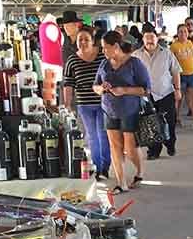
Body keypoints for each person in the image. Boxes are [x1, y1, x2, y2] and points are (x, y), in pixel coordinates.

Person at [94, 30, 150, 193]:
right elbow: (95, 85)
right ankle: (121, 183)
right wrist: (101, 89)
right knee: (115, 147)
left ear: (116, 46)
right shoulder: (104, 64)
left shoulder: (134, 64)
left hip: (130, 110)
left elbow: (146, 89)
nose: (103, 51)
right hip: (109, 109)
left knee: (130, 147)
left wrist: (124, 90)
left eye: (105, 48)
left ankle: (139, 172)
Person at [62, 27, 110, 181]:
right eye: (80, 39)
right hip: (84, 104)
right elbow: (68, 84)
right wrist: (67, 104)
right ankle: (97, 167)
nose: (83, 42)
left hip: (103, 102)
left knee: (103, 134)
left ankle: (105, 167)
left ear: (92, 40)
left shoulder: (103, 55)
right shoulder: (72, 60)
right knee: (92, 136)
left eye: (86, 39)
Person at [133, 27, 181, 159]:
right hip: (146, 96)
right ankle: (153, 151)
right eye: (146, 38)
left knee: (169, 122)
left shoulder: (167, 53)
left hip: (166, 93)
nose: (149, 41)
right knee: (150, 123)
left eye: (152, 37)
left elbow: (175, 71)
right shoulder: (136, 55)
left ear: (157, 38)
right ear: (142, 39)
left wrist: (178, 89)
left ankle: (170, 144)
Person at [170, 24, 193, 129]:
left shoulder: (192, 44)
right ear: (177, 33)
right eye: (181, 31)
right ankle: (177, 118)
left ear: (188, 33)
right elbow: (170, 62)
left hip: (192, 75)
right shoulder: (174, 46)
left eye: (185, 31)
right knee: (179, 99)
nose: (183, 33)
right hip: (180, 76)